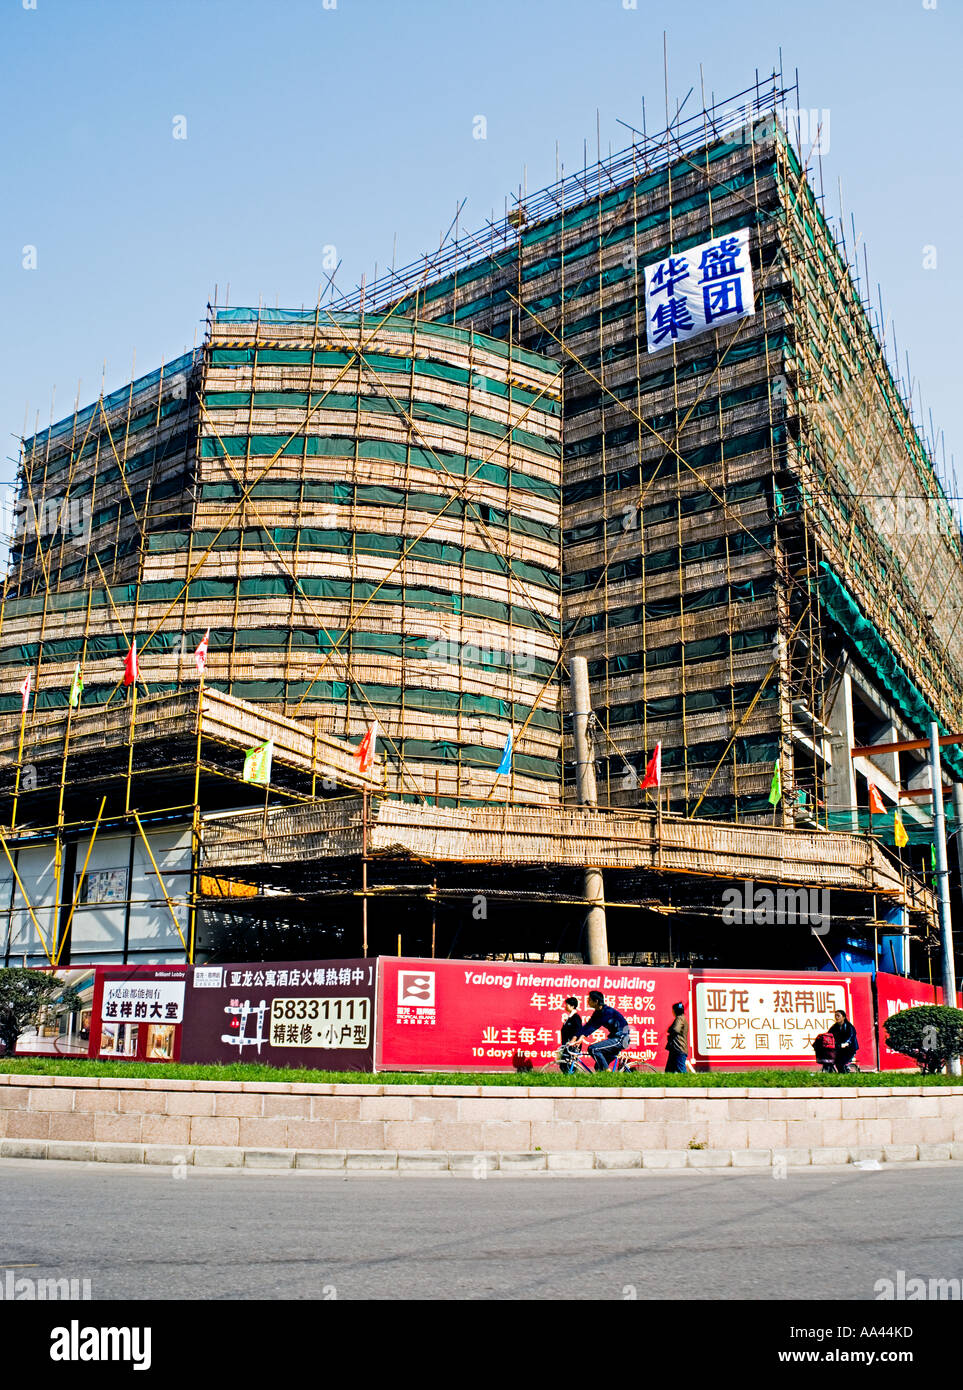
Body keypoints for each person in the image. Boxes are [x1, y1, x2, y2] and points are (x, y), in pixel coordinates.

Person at [576, 990, 631, 1072]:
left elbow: (595, 1025)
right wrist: (575, 1038)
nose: (587, 1002)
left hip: (621, 1039)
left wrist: (581, 1038)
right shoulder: (597, 1012)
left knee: (593, 1049)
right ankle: (609, 1082)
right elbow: (588, 1025)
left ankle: (608, 1072)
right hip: (615, 1038)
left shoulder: (608, 1012)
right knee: (598, 1067)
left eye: (589, 1000)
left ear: (596, 1001)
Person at [556, 997, 582, 1072]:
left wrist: (573, 1041)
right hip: (567, 1044)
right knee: (563, 1065)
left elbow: (578, 1030)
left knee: (568, 1065)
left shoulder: (576, 1017)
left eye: (567, 1005)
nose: (565, 1006)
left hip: (572, 1045)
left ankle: (572, 1080)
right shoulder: (570, 1017)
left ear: (572, 1006)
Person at [665, 1001, 688, 1073]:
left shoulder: (679, 1018)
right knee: (669, 1071)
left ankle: (689, 1083)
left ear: (675, 1010)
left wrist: (669, 1030)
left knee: (681, 1070)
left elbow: (676, 1029)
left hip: (678, 1048)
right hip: (677, 1049)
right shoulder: (683, 1018)